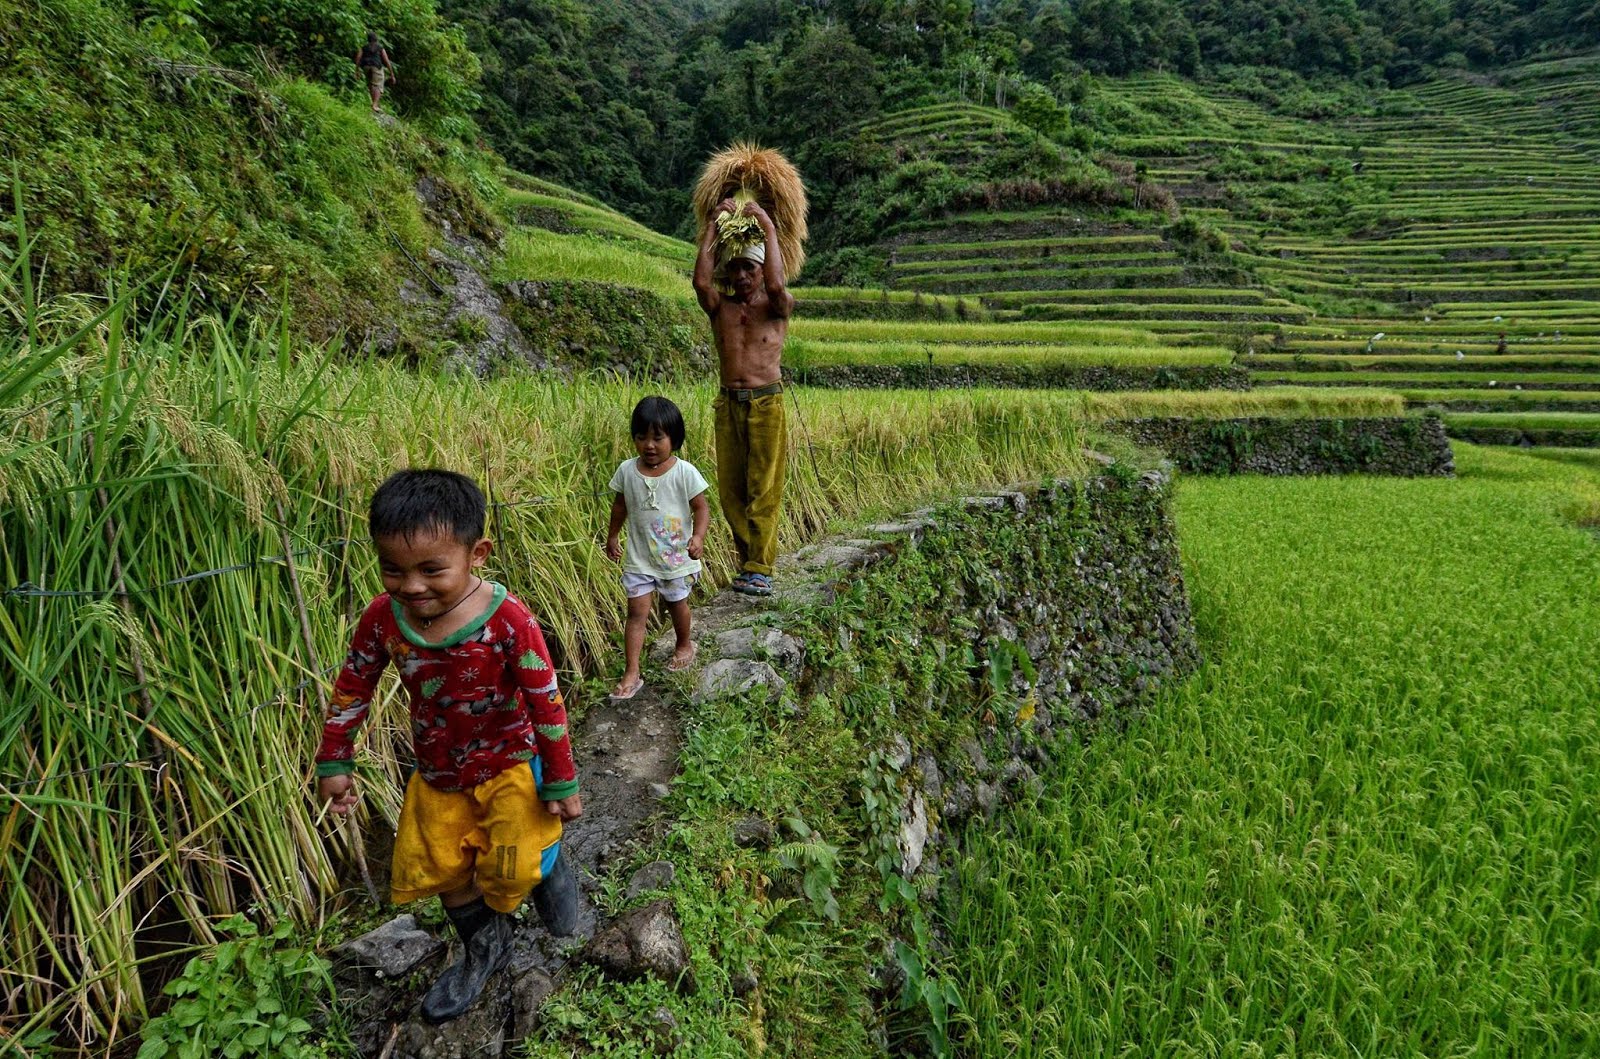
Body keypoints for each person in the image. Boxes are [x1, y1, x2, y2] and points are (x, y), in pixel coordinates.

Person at [315, 469, 582, 1024]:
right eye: (393, 568)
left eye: (432, 569)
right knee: (441, 868)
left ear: (476, 553)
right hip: (437, 771)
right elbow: (353, 684)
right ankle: (484, 949)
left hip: (510, 765)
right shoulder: (382, 619)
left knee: (512, 868)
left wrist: (559, 778)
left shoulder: (509, 621)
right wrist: (335, 758)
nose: (412, 586)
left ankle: (549, 861)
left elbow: (547, 702)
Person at [693, 199, 794, 597]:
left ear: (760, 267)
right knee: (731, 488)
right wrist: (713, 230)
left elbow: (776, 284)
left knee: (763, 487)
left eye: (747, 267)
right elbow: (701, 283)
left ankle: (760, 567)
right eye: (734, 268)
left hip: (767, 402)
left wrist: (767, 226)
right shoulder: (722, 308)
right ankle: (746, 564)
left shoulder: (778, 306)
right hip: (729, 403)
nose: (740, 276)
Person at [604, 397, 710, 700]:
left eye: (657, 437)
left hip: (676, 559)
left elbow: (702, 509)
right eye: (641, 437)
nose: (649, 445)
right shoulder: (627, 471)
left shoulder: (684, 472)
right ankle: (631, 671)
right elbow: (619, 507)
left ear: (673, 439)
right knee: (636, 612)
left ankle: (683, 644)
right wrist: (612, 537)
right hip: (639, 559)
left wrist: (698, 538)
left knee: (677, 604)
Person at [355, 32, 397, 114]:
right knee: (378, 85)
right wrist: (392, 74)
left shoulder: (363, 48)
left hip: (366, 66)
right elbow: (386, 60)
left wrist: (357, 70)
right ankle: (375, 105)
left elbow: (358, 57)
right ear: (376, 39)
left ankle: (374, 103)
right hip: (376, 66)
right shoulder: (380, 48)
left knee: (371, 84)